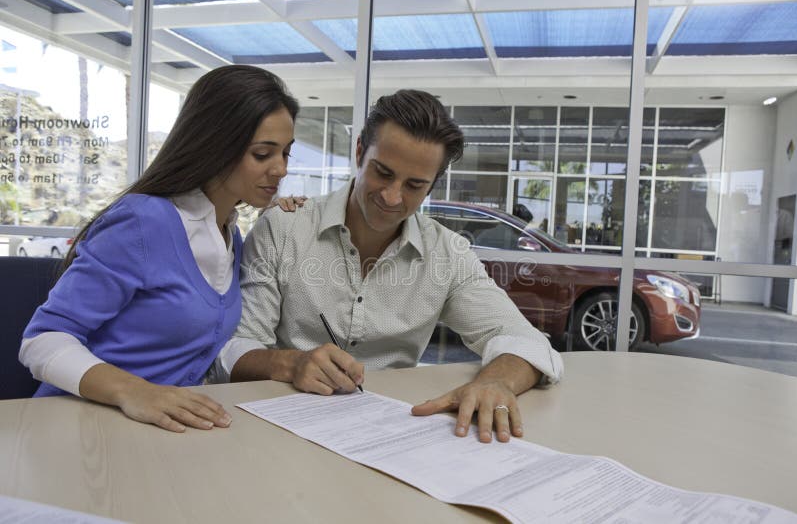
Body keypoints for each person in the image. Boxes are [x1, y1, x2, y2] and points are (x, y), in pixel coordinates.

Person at [215, 89, 564, 444]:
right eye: (383, 173)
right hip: (282, 430)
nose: (392, 197)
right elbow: (234, 348)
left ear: (431, 187)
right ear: (359, 153)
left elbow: (527, 342)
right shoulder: (284, 227)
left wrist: (497, 381)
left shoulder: (447, 253)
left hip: (388, 437)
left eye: (414, 185)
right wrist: (291, 364)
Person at [19, 65, 299, 433]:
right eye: (263, 154)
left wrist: (285, 362)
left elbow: (207, 345)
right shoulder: (143, 221)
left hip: (157, 435)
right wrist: (135, 391)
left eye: (286, 154)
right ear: (215, 145)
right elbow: (41, 340)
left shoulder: (230, 235)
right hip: (79, 430)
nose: (280, 170)